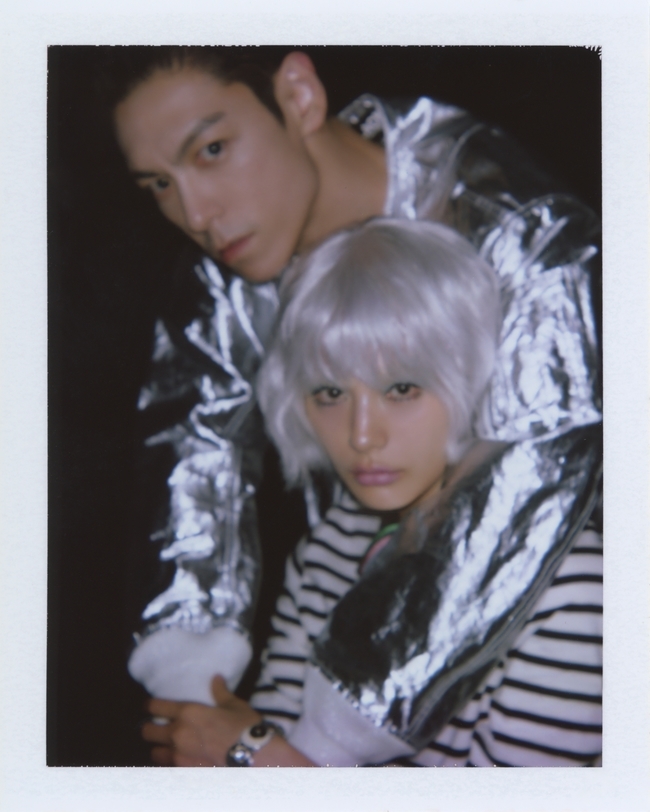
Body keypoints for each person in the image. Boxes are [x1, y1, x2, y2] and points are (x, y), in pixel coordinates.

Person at [105, 46, 601, 738]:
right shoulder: (232, 261)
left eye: (212, 150)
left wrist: (317, 745)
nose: (195, 212)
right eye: (159, 183)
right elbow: (195, 445)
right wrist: (193, 689)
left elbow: (528, 483)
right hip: (340, 594)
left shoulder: (522, 233)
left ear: (299, 95)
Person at [141, 218, 602, 767]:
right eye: (330, 393)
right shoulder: (334, 541)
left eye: (401, 388)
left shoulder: (572, 584)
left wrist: (252, 757)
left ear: (477, 379)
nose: (362, 435)